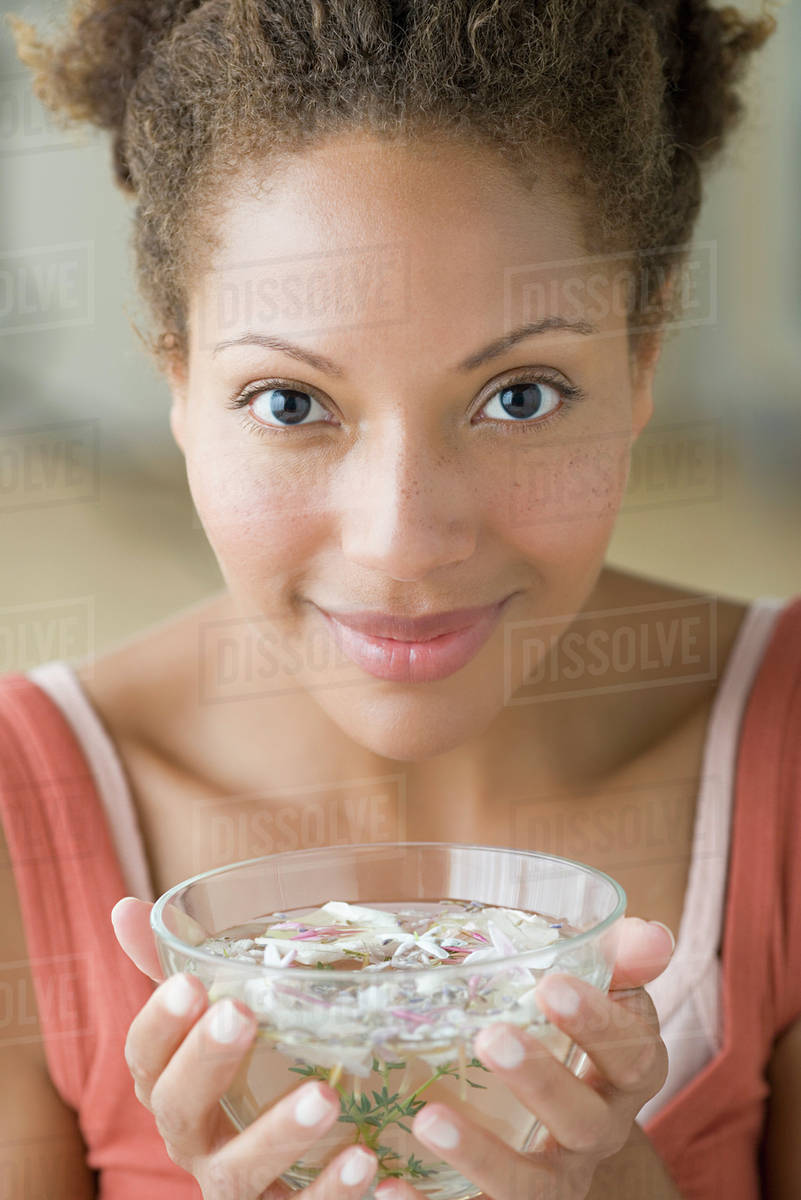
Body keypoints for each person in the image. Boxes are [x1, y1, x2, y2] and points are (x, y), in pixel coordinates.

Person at [0, 1, 797, 1197]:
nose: (404, 544)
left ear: (643, 354)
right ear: (174, 369)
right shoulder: (23, 817)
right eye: (290, 402)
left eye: (520, 396)